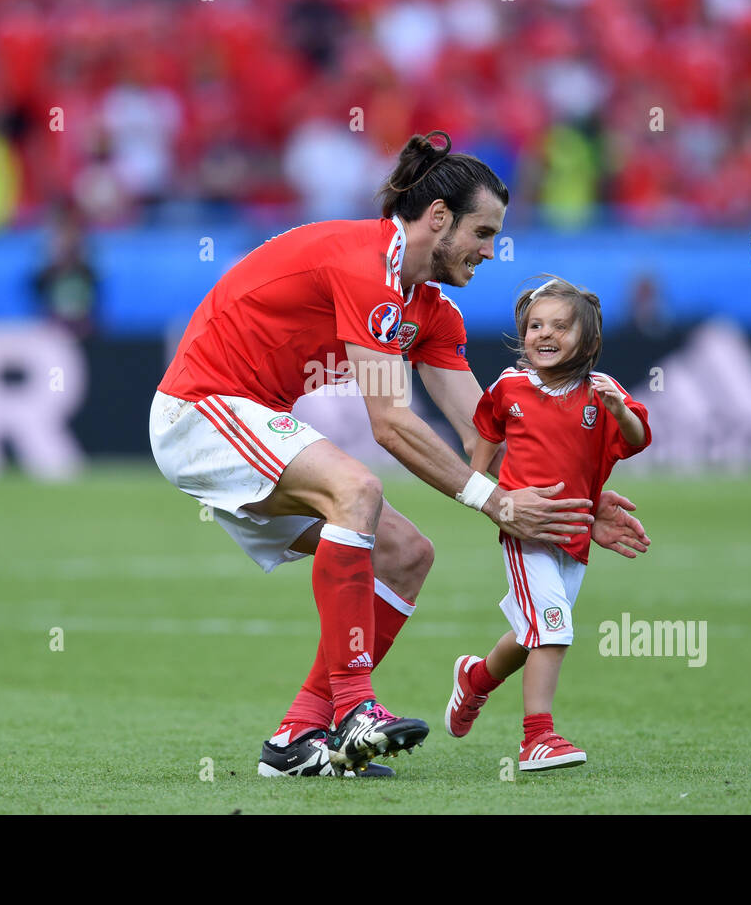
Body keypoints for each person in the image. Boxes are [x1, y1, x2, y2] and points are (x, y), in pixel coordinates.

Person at [149, 132, 651, 777]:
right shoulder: (367, 263)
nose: (490, 251)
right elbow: (389, 422)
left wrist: (573, 492)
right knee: (357, 489)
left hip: (252, 418)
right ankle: (356, 707)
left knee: (406, 554)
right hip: (201, 407)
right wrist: (497, 504)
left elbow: (486, 437)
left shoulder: (430, 312)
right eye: (483, 232)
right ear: (437, 219)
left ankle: (298, 737)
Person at [445, 277, 651, 771]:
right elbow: (485, 436)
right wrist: (481, 492)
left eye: (560, 326)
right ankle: (537, 738)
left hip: (573, 535)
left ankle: (475, 680)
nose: (544, 333)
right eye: (536, 325)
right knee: (553, 628)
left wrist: (620, 410)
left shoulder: (601, 393)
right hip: (527, 532)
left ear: (590, 341)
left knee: (531, 631)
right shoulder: (509, 387)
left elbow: (638, 438)